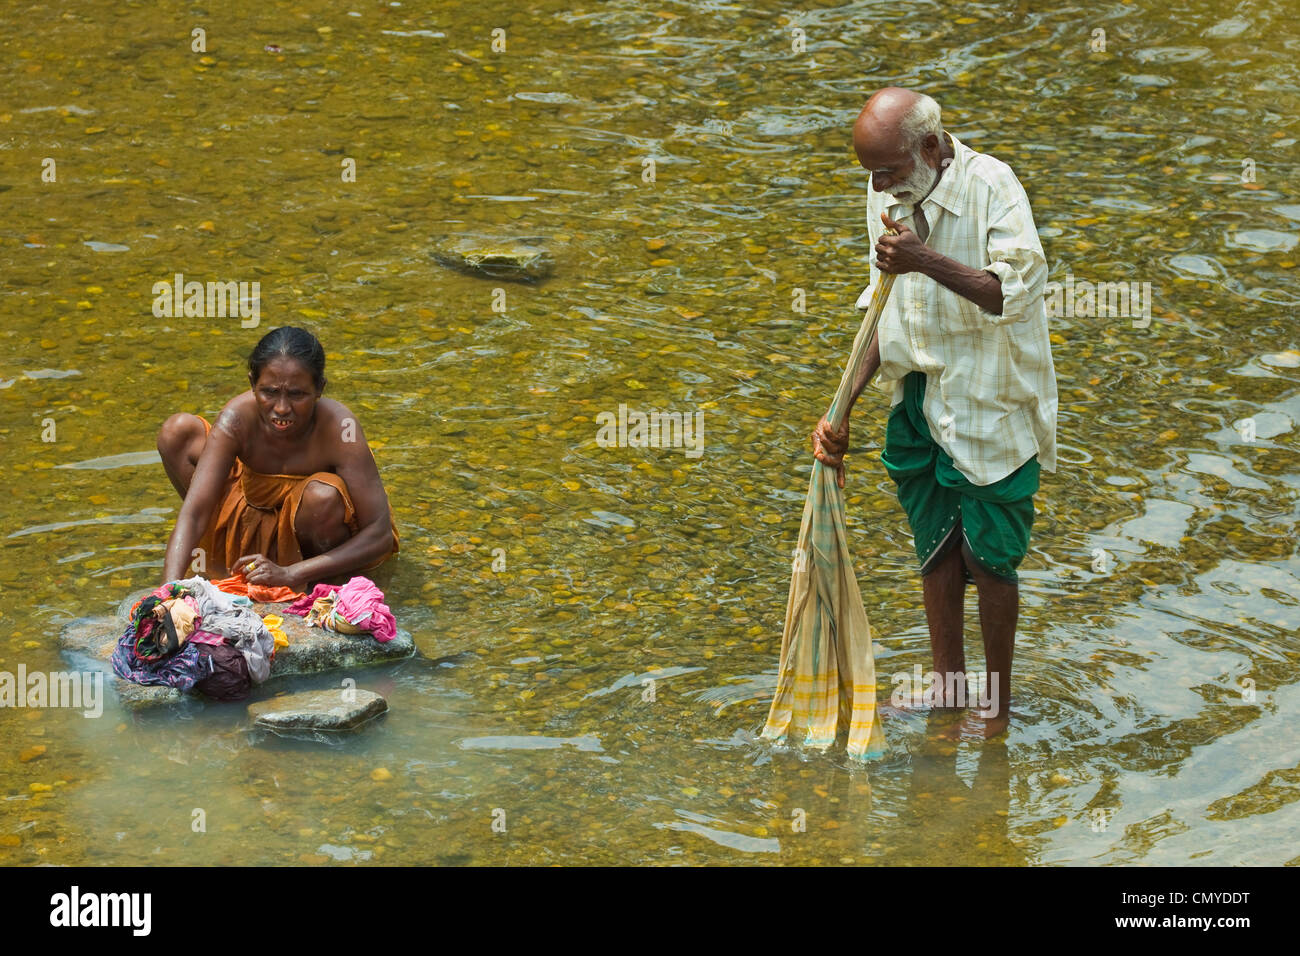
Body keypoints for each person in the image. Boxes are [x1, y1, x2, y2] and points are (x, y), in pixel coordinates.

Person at [812, 87, 1057, 739]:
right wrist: (842, 409)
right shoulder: (885, 191)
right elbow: (882, 301)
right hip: (918, 394)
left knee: (990, 557)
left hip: (991, 396)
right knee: (937, 546)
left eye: (888, 171)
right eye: (871, 175)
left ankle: (995, 711)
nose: (878, 186)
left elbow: (1012, 294)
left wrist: (925, 259)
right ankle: (949, 692)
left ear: (929, 148)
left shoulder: (992, 186)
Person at [156, 326, 399, 591]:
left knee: (322, 497)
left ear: (319, 389)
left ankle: (321, 580)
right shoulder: (235, 418)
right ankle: (234, 559)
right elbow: (194, 513)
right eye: (269, 392)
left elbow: (380, 534)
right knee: (176, 432)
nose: (282, 408)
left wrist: (291, 574)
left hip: (315, 531)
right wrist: (167, 592)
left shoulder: (341, 428)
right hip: (250, 513)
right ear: (252, 384)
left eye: (297, 394)